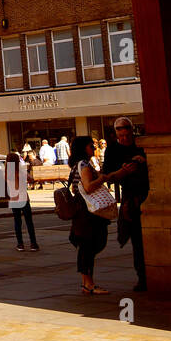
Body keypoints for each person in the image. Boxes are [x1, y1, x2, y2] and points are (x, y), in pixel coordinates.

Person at [102, 116, 149, 291]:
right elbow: (107, 175)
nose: (124, 139)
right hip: (130, 196)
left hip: (146, 192)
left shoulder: (141, 144)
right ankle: (142, 277)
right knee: (137, 239)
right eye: (121, 136)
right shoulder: (112, 149)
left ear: (132, 131)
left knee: (147, 239)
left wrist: (143, 162)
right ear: (116, 135)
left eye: (127, 136)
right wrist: (122, 171)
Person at [68, 136, 111, 294]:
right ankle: (89, 283)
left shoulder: (75, 165)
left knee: (87, 246)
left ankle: (86, 283)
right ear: (83, 148)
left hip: (82, 212)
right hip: (89, 213)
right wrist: (102, 179)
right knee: (91, 245)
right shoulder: (84, 165)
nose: (93, 148)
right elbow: (87, 187)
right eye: (90, 145)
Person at [5, 152, 40, 251]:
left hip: (13, 199)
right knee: (29, 222)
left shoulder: (7, 172)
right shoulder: (20, 170)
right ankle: (33, 243)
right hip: (23, 198)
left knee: (17, 222)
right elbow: (31, 179)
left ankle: (20, 244)